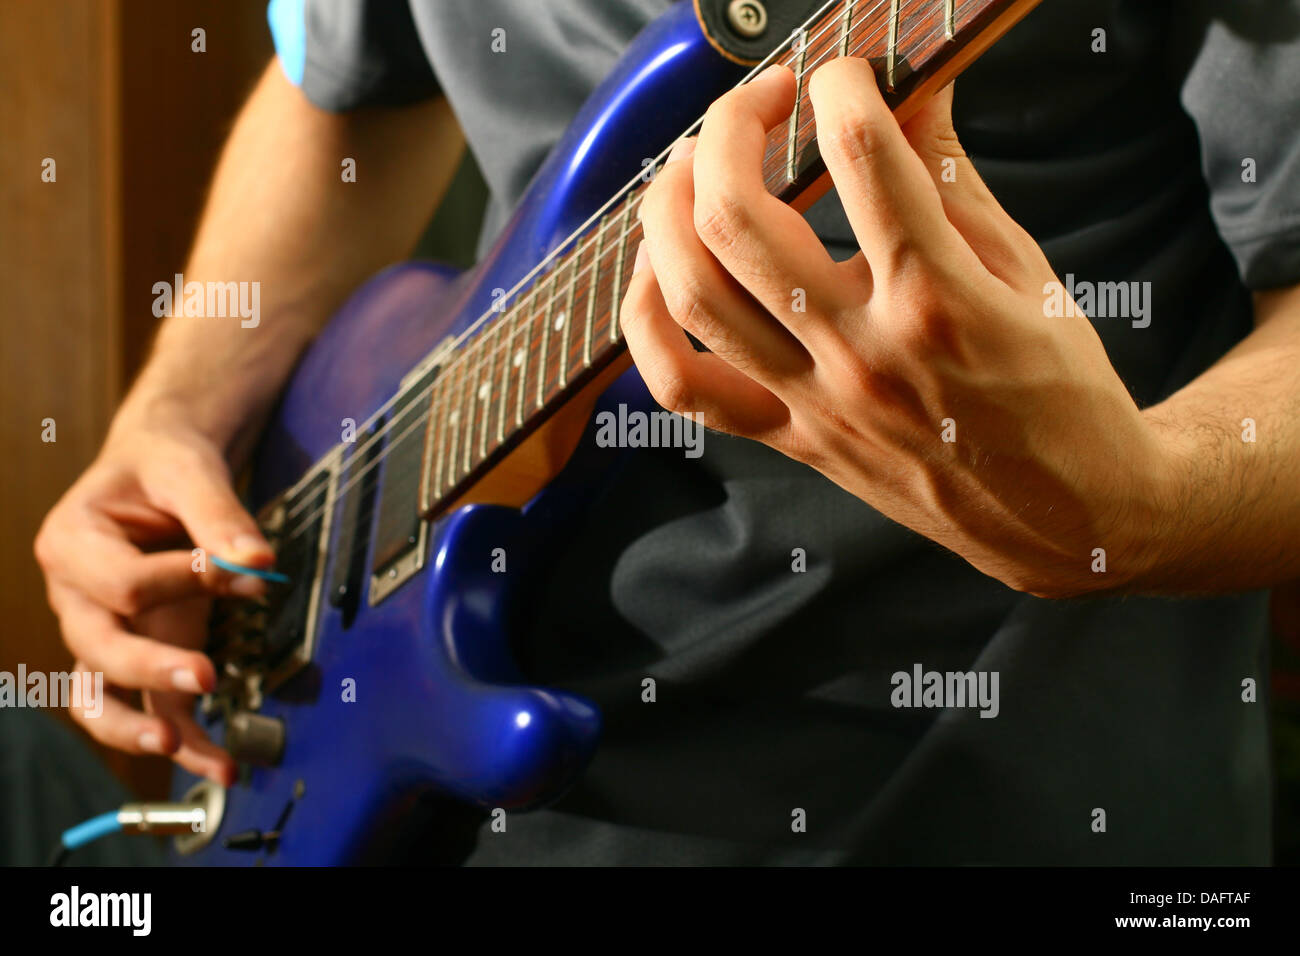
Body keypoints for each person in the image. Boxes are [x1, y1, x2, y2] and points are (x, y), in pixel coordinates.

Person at [33, 0, 1300, 864]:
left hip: (982, 789)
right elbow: (343, 88)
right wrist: (176, 411)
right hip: (473, 762)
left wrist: (1134, 502)